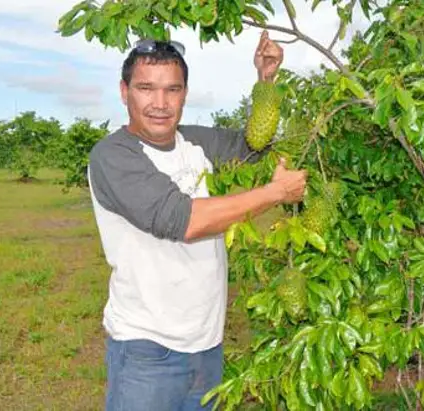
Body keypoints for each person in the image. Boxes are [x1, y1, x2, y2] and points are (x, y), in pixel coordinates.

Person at [86, 30, 307, 411]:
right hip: (146, 350)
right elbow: (181, 220)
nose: (160, 103)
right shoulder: (112, 155)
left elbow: (255, 147)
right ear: (124, 92)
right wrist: (275, 194)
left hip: (207, 345)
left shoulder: (196, 142)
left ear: (185, 94)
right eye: (145, 88)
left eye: (172, 89)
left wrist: (265, 83)